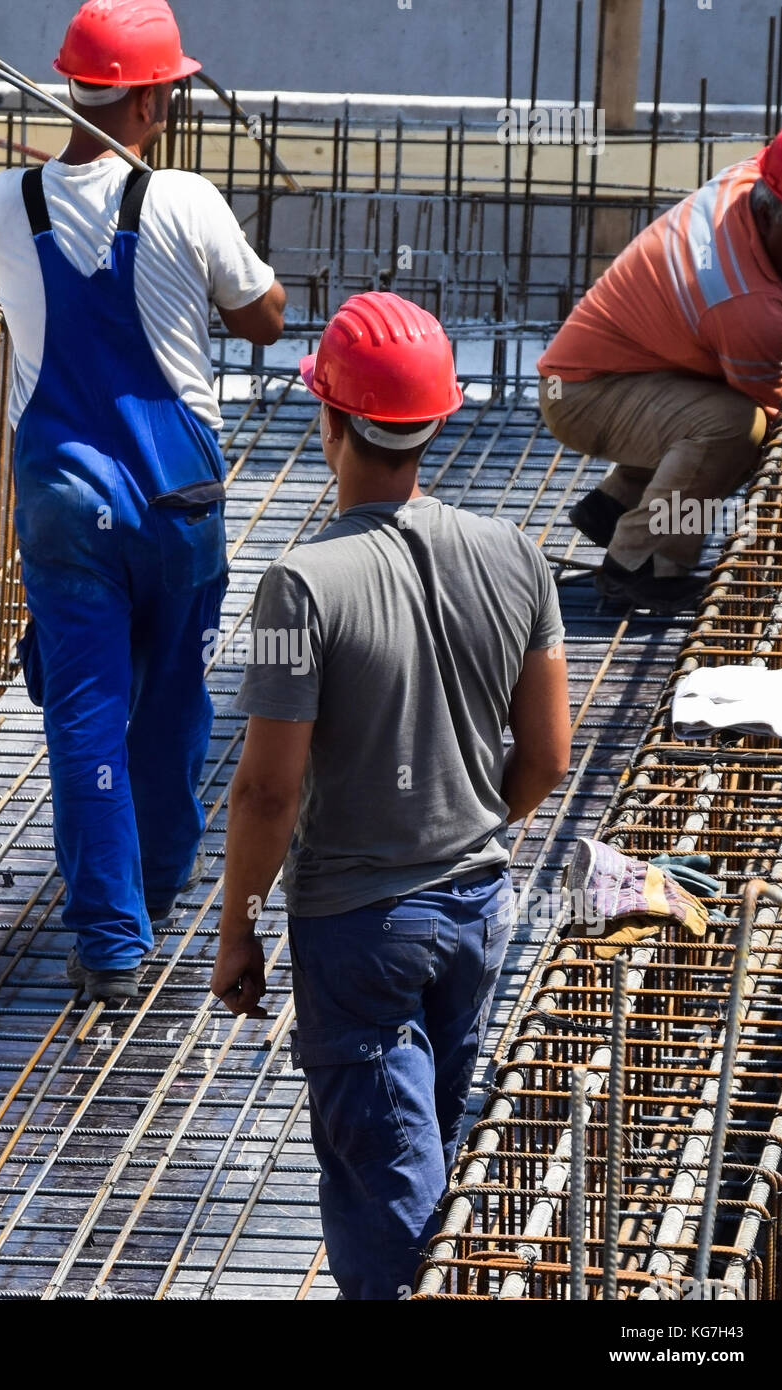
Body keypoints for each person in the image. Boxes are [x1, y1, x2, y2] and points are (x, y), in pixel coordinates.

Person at [210, 292, 571, 1300]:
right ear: (437, 422)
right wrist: (466, 829)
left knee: (389, 1204)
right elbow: (547, 752)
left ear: (329, 423)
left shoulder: (298, 584)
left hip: (359, 932)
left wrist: (238, 926)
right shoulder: (518, 555)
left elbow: (268, 790)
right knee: (433, 1158)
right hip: (476, 913)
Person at [0, 0, 286, 1003]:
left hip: (65, 497)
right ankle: (157, 879)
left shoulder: (1, 201)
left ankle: (112, 937)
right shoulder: (185, 202)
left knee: (86, 710)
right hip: (175, 498)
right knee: (174, 702)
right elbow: (264, 318)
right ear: (152, 100)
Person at [538, 123, 782, 614]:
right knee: (739, 430)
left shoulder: (746, 183)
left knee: (722, 412)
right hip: (581, 396)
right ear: (777, 217)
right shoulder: (749, 307)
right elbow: (775, 417)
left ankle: (616, 508)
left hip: (612, 372)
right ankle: (643, 562)